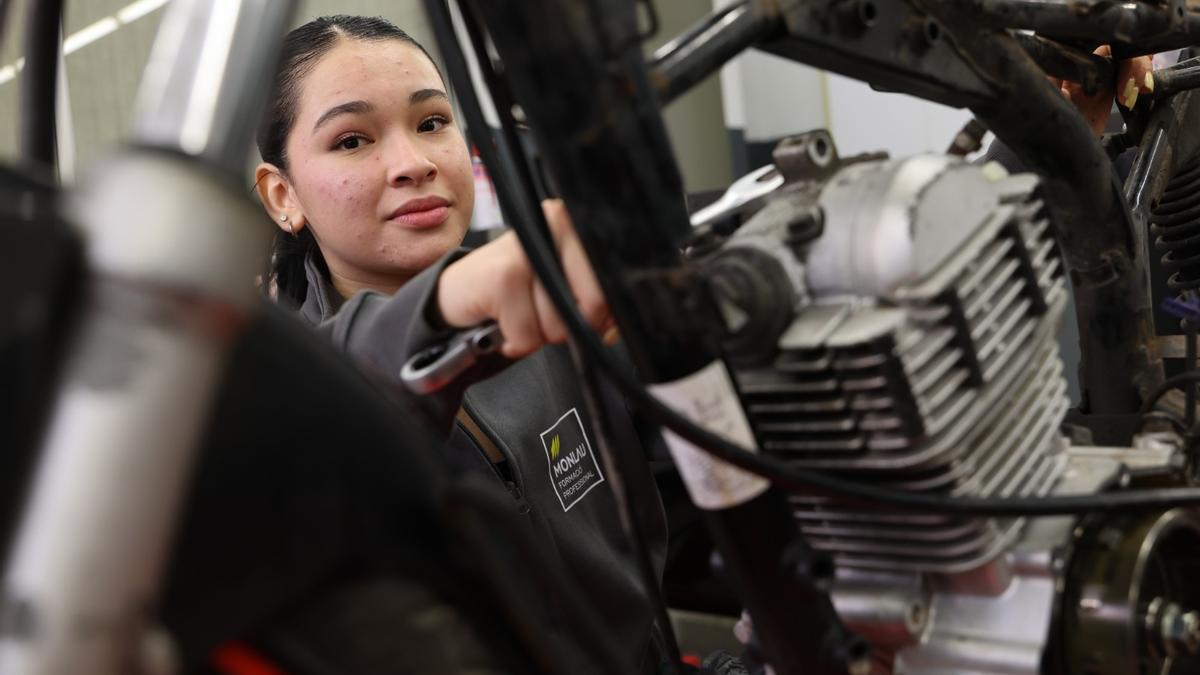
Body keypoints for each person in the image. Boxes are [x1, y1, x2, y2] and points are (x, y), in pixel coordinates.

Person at [252, 14, 670, 673]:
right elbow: (343, 388)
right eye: (353, 139)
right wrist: (450, 300)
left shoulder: (548, 297)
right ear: (283, 196)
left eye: (431, 123)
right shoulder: (274, 385)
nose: (413, 164)